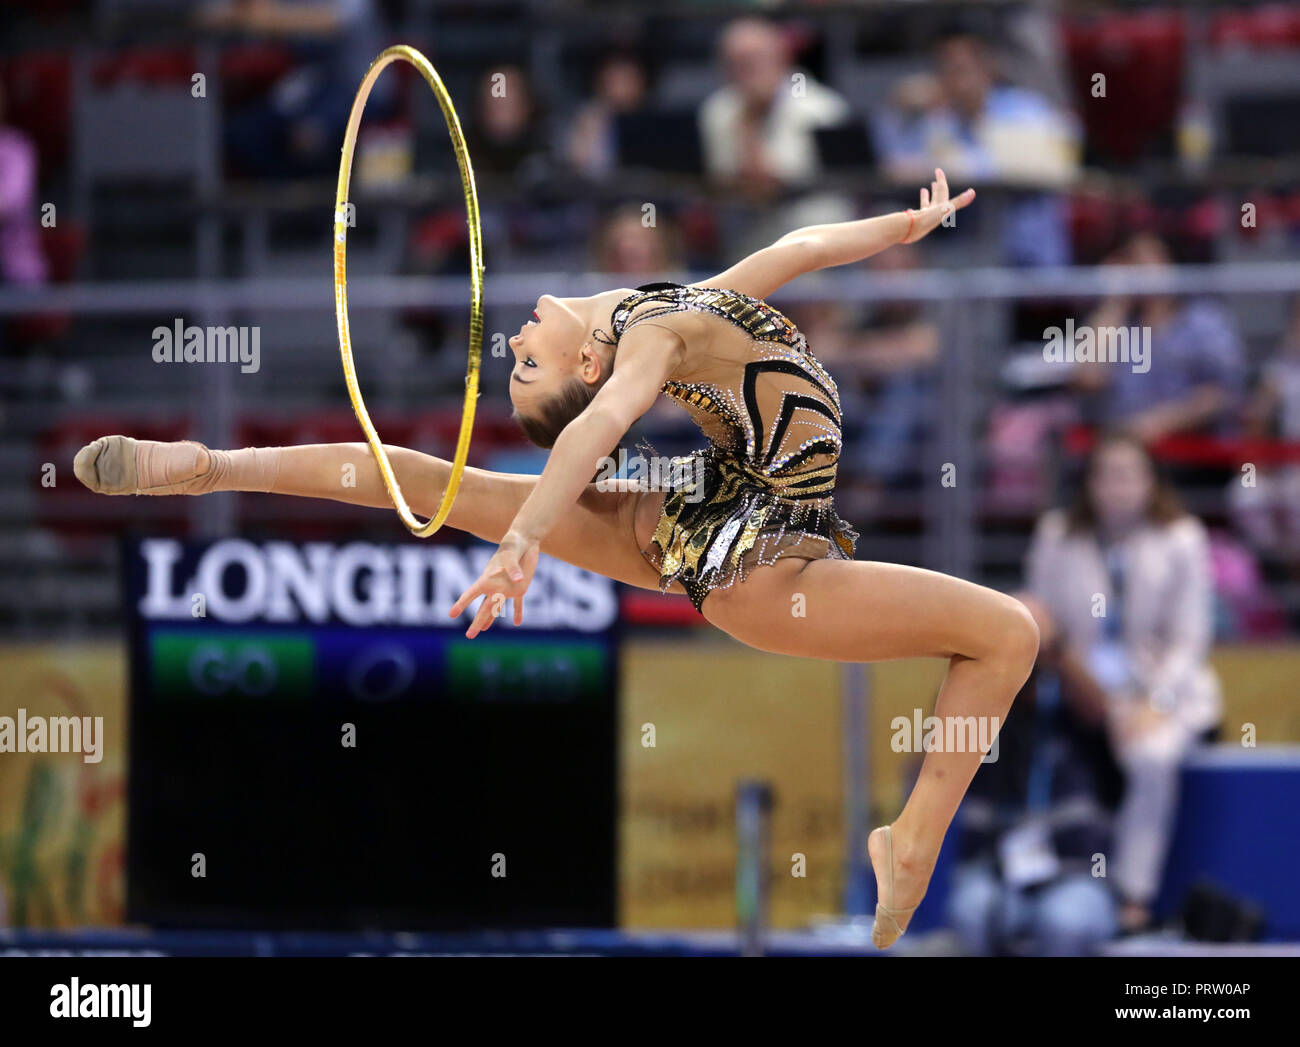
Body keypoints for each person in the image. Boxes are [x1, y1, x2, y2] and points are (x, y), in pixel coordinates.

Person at [73, 170, 1040, 950]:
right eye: (526, 364)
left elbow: (797, 248)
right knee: (1006, 632)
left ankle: (210, 466)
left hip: (711, 524)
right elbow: (606, 425)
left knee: (439, 485)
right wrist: (526, 538)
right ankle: (912, 840)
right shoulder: (648, 343)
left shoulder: (679, 308)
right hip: (762, 563)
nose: (518, 342)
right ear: (589, 369)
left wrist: (899, 232)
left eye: (516, 362)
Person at [1023, 432, 1222, 933]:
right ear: (1088, 484)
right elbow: (1040, 619)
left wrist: (1154, 701)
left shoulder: (1182, 538)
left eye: (1129, 475)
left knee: (1151, 757)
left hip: (1162, 693)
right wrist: (1075, 679)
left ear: (1151, 481)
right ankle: (1040, 884)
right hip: (1080, 686)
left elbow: (1190, 639)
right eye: (1105, 476)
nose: (1117, 488)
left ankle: (1134, 894)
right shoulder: (1057, 535)